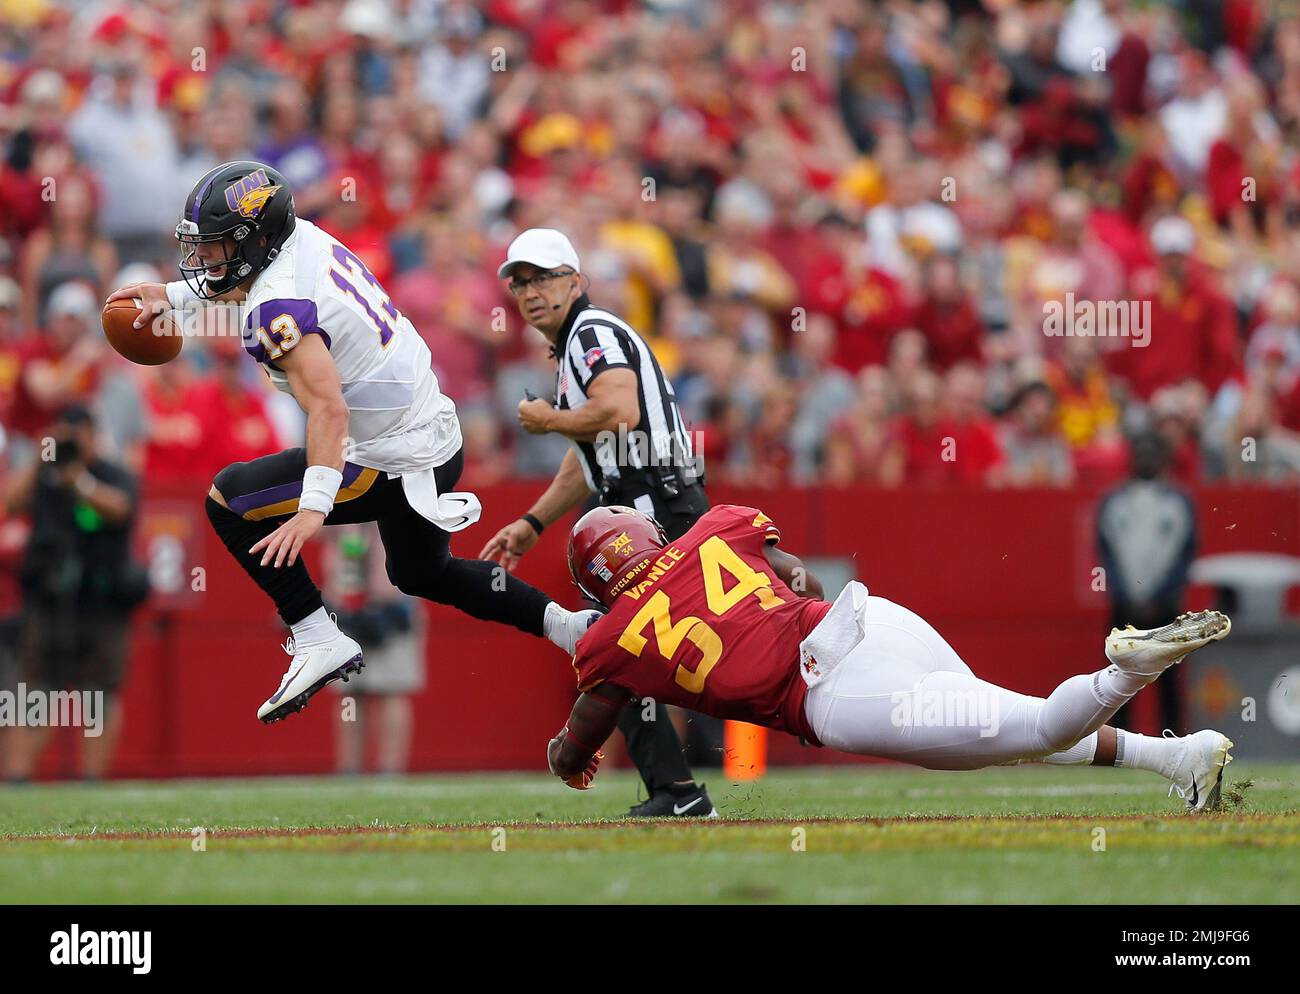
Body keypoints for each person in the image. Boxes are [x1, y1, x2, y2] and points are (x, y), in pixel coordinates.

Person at [106, 161, 595, 724]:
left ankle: (317, 636)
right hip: (435, 432)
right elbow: (258, 287)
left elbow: (329, 409)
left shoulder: (275, 304)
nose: (206, 261)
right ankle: (566, 625)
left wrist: (314, 507)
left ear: (257, 238)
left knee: (228, 499)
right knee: (420, 572)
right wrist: (173, 295)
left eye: (216, 248)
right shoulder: (305, 240)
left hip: (388, 454)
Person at [550, 504, 1235, 813]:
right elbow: (799, 580)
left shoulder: (611, 646)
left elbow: (578, 739)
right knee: (1013, 725)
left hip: (832, 695)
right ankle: (1182, 757)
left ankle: (1130, 668)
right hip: (871, 619)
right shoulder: (715, 526)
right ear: (647, 535)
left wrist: (568, 756)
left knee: (1037, 730)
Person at [478, 228, 716, 818]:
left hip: (653, 505)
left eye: (542, 278)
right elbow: (594, 455)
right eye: (519, 281)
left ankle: (672, 788)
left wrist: (551, 418)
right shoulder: (575, 343)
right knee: (633, 649)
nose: (529, 291)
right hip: (644, 500)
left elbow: (619, 410)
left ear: (574, 281)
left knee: (621, 650)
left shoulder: (590, 332)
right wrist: (533, 522)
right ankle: (676, 790)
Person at [3, 405, 145, 781]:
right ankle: (19, 777)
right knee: (36, 690)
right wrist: (39, 456)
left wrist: (78, 480)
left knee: (99, 692)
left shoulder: (112, 473)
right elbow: (9, 504)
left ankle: (92, 778)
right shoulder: (43, 475)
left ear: (92, 435)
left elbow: (120, 509)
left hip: (101, 598)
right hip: (48, 597)